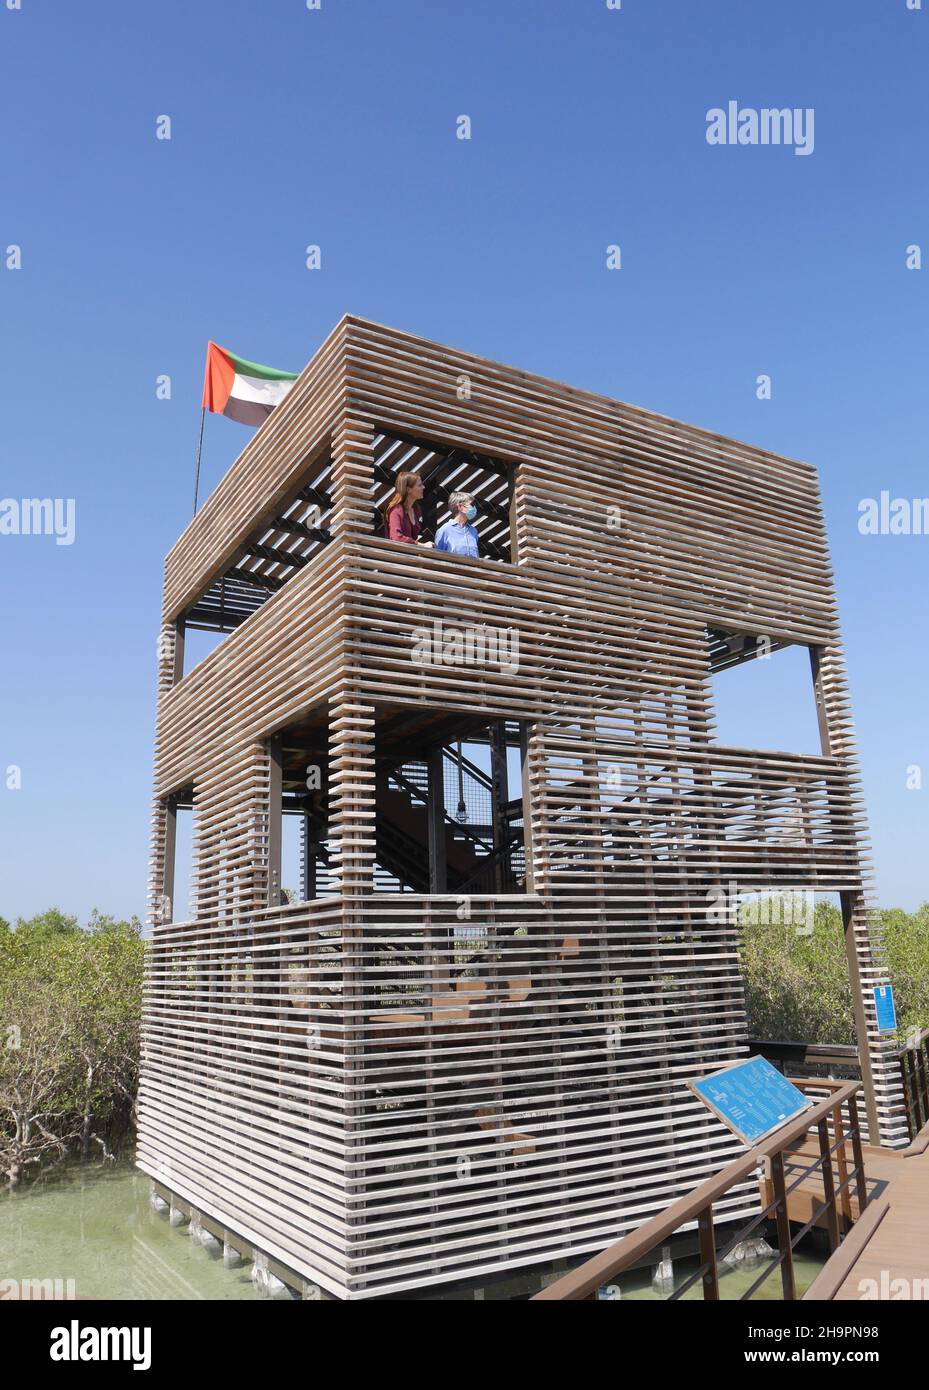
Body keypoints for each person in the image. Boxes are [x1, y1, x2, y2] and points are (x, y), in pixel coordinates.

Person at [384, 471, 433, 547]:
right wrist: (422, 545)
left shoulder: (416, 510)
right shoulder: (396, 509)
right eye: (419, 485)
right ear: (408, 489)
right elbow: (396, 538)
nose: (423, 487)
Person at [434, 492, 480, 558]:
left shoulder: (473, 531)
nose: (474, 507)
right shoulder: (445, 530)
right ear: (460, 507)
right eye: (472, 504)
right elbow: (437, 556)